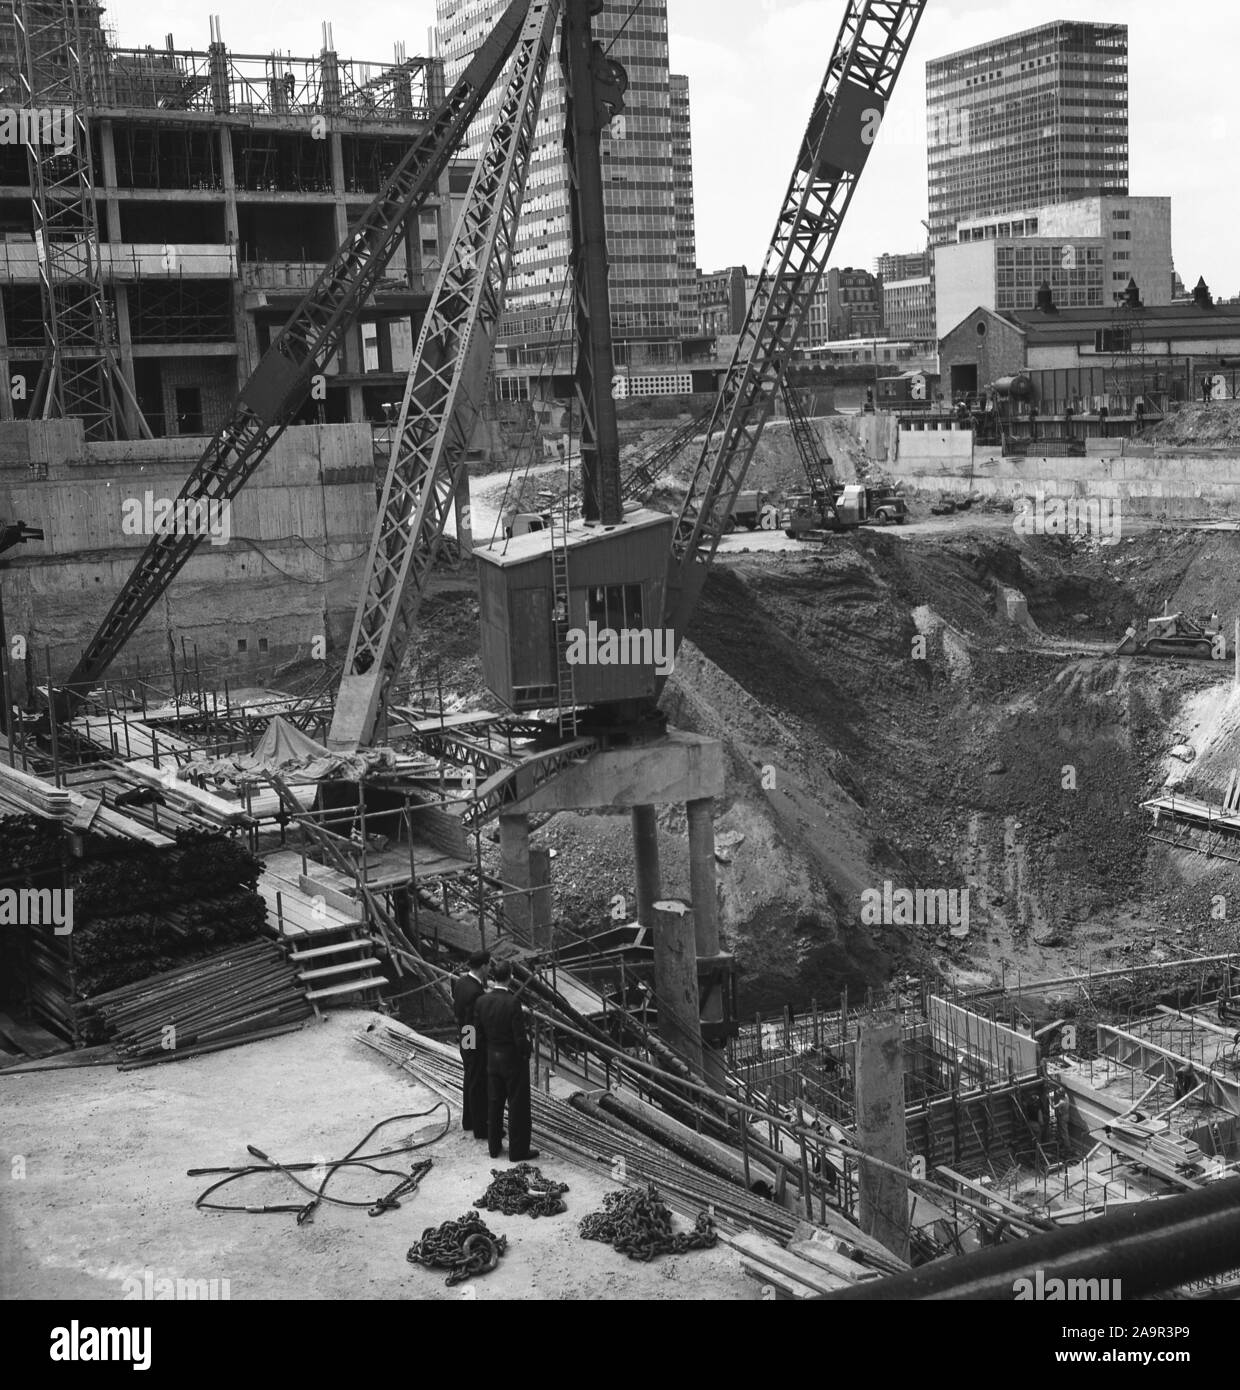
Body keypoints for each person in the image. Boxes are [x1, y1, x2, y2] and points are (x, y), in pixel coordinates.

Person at [474, 959, 538, 1162]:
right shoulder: (512, 1003)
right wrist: (527, 1051)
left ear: (493, 977)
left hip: (492, 1058)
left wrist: (472, 1052)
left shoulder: (481, 1001)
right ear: (510, 978)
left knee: (494, 1103)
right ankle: (518, 1151)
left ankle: (494, 1147)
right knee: (517, 1106)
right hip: (512, 1060)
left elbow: (476, 1032)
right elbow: (519, 1037)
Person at [452, 951, 490, 1140]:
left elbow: (461, 1014)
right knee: (477, 1084)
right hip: (472, 1040)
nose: (490, 968)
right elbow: (472, 1021)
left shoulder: (461, 982)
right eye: (489, 965)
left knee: (469, 1080)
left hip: (464, 1035)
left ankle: (469, 1120)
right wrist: (473, 1048)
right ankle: (479, 1126)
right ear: (483, 966)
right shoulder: (475, 991)